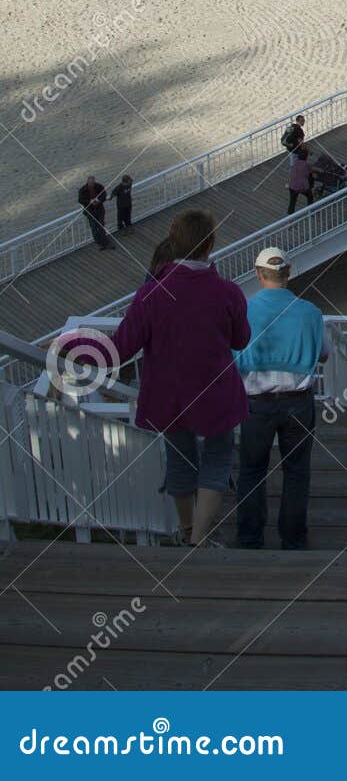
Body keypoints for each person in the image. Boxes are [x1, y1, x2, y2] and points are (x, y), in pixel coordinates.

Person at [61, 208, 250, 547]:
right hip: (215, 392)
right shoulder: (227, 292)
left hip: (169, 395)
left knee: (179, 459)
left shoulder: (150, 295)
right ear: (210, 244)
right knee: (218, 458)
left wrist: (69, 344)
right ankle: (200, 537)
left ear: (173, 243)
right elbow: (240, 340)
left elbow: (116, 352)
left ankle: (185, 529)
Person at [235, 247, 327, 551]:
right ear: (288, 273)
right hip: (298, 401)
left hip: (256, 402)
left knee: (251, 470)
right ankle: (293, 539)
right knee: (297, 471)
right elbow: (322, 354)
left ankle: (250, 538)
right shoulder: (310, 312)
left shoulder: (243, 312)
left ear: (258, 275)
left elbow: (231, 357)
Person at [78, 176, 113, 250]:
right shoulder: (82, 190)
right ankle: (100, 243)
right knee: (94, 228)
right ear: (87, 182)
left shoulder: (99, 186)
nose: (92, 184)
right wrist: (89, 202)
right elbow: (80, 200)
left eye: (93, 183)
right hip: (90, 211)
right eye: (90, 183)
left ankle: (106, 243)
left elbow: (104, 195)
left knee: (101, 226)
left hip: (99, 209)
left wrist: (98, 201)